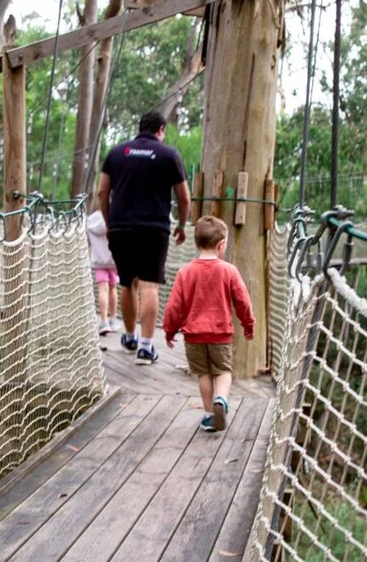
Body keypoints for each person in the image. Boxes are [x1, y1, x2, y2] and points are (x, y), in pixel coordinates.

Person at [94, 107, 191, 362]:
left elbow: (102, 193)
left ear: (139, 128)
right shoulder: (169, 154)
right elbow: (184, 197)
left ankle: (129, 336)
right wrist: (181, 225)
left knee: (128, 283)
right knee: (149, 285)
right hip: (154, 229)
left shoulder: (116, 153)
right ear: (161, 130)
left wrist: (109, 222)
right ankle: (147, 346)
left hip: (121, 228)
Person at [162, 214, 256, 434]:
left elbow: (174, 306)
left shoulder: (185, 272)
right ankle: (221, 400)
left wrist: (169, 330)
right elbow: (243, 301)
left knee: (203, 374)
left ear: (196, 243)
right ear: (221, 245)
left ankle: (208, 415)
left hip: (193, 335)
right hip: (220, 334)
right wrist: (248, 323)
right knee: (223, 371)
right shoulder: (229, 271)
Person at [86, 200, 118, 340]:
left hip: (98, 261)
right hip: (113, 260)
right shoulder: (114, 218)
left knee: (102, 289)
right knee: (113, 288)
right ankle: (113, 319)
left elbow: (87, 239)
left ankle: (104, 321)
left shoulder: (90, 221)